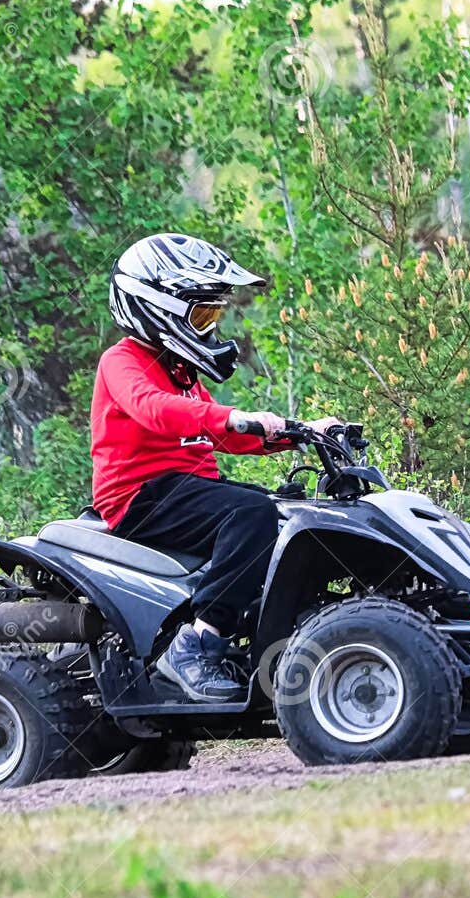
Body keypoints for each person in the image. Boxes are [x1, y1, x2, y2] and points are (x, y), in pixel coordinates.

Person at [93, 233, 341, 703]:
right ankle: (194, 645)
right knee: (250, 513)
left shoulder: (181, 373)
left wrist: (300, 432)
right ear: (156, 307)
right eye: (201, 314)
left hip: (187, 489)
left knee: (289, 514)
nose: (209, 325)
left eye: (213, 314)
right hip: (139, 497)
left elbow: (221, 435)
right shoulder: (122, 362)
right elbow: (153, 410)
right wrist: (228, 415)